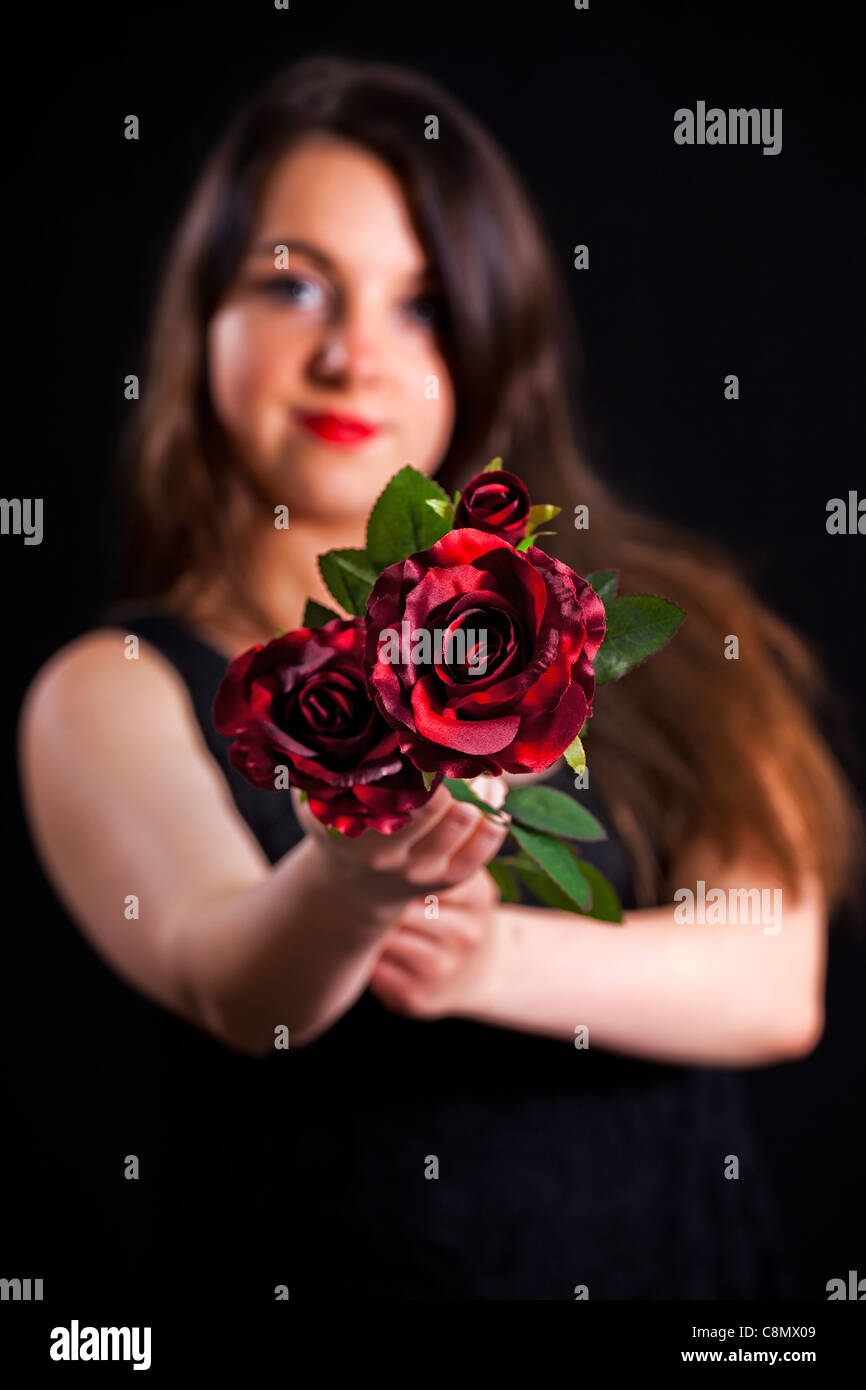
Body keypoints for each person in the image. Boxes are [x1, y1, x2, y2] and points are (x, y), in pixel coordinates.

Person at [17, 54, 863, 1301]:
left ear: (488, 336)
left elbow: (772, 978)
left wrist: (484, 962)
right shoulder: (115, 688)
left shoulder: (658, 627)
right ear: (201, 318)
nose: (351, 354)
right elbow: (230, 981)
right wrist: (350, 887)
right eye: (292, 284)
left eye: (419, 304)